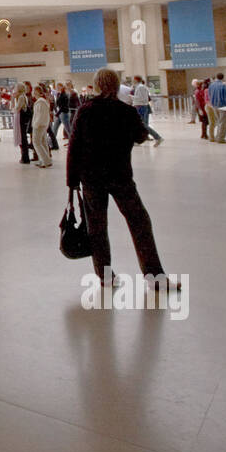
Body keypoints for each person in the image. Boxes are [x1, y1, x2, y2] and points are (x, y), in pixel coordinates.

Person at [66, 68, 172, 288]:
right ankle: (154, 276)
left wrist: (72, 181)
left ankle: (105, 276)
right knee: (139, 221)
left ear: (96, 86)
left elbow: (74, 148)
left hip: (91, 178)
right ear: (116, 86)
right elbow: (142, 137)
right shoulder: (126, 111)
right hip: (120, 175)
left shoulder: (85, 111)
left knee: (96, 226)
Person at [131, 76, 164, 145]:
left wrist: (131, 97)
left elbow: (142, 99)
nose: (132, 81)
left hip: (141, 107)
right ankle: (140, 139)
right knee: (142, 125)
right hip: (140, 107)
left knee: (143, 125)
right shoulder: (139, 87)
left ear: (136, 80)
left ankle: (157, 137)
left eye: (133, 80)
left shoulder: (140, 87)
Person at [206, 72, 226, 143]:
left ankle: (218, 136)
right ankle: (221, 138)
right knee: (223, 123)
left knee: (218, 122)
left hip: (214, 106)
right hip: (223, 106)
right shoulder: (224, 86)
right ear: (223, 78)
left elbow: (209, 95)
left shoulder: (211, 85)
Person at [32, 84, 53, 168]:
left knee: (36, 142)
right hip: (43, 124)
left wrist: (36, 124)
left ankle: (45, 160)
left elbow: (40, 115)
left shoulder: (40, 102)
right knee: (43, 142)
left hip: (40, 125)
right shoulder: (42, 101)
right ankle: (45, 160)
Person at [13, 83, 32, 164]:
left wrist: (13, 102)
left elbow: (17, 108)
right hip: (21, 119)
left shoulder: (21, 97)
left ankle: (25, 157)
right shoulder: (21, 96)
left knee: (22, 138)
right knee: (22, 138)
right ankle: (24, 156)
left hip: (21, 119)